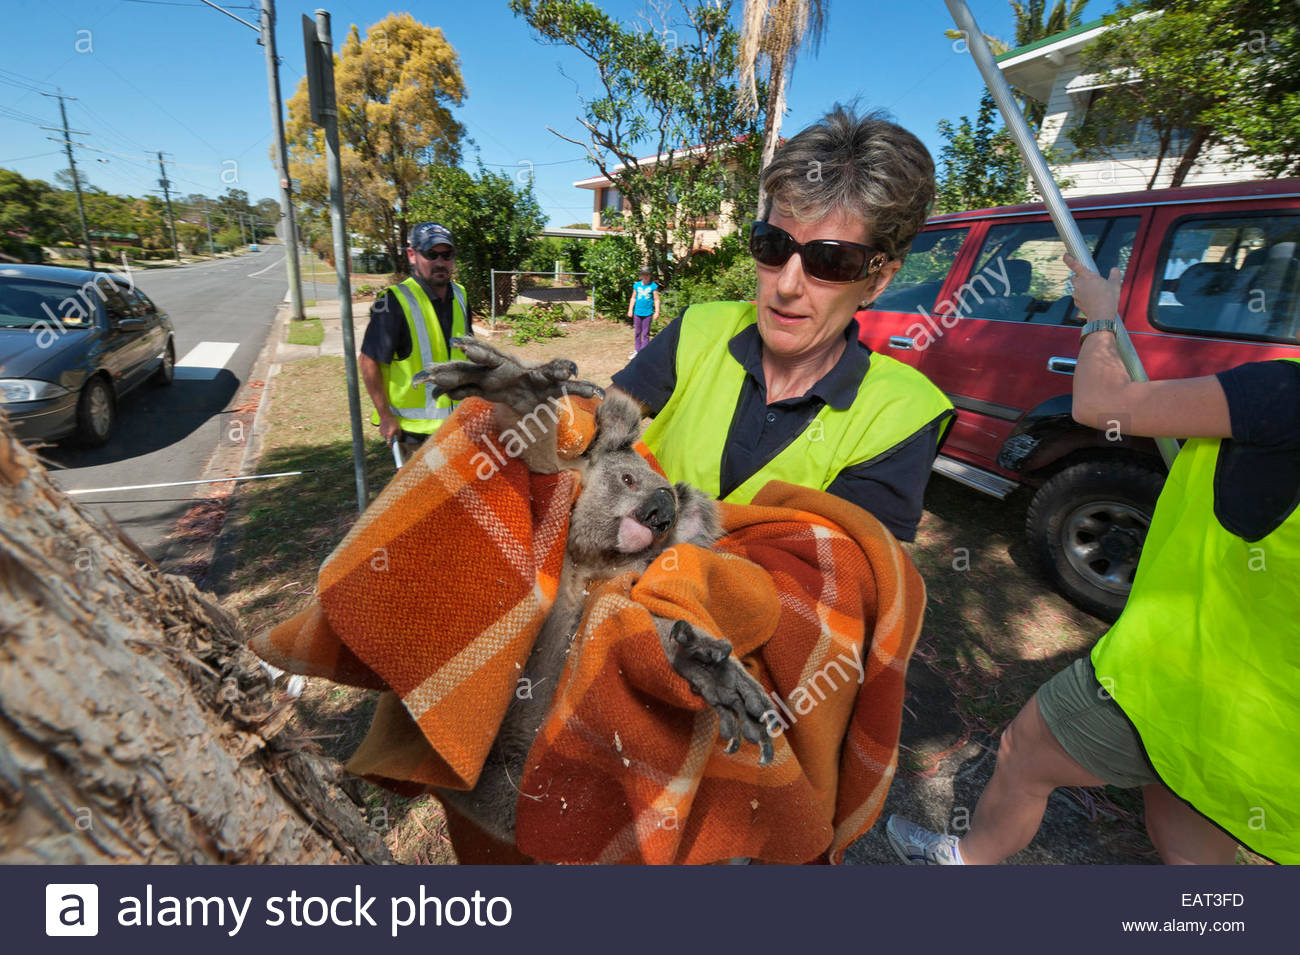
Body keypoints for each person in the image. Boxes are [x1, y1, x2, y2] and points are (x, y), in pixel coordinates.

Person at [886, 253, 1300, 865]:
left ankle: (964, 862)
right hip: (1271, 722)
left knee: (1025, 752)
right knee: (1187, 812)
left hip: (1184, 675)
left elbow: (1102, 403)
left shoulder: (1281, 394)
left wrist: (1100, 319)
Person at [609, 105, 954, 542]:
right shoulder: (699, 329)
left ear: (878, 279)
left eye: (830, 260)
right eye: (773, 246)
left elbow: (840, 580)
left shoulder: (901, 414)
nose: (786, 285)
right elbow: (598, 421)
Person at [360, 222, 474, 448]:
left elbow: (468, 352)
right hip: (413, 434)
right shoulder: (393, 301)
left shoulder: (460, 295)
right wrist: (385, 416)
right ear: (412, 255)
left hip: (458, 425)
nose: (440, 262)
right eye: (431, 254)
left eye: (447, 254)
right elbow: (368, 361)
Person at [626, 267, 660, 358]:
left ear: (650, 276)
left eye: (647, 274)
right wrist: (630, 310)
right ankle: (637, 350)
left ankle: (644, 352)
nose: (645, 276)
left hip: (648, 313)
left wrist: (657, 311)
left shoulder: (653, 286)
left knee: (645, 333)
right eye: (643, 274)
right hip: (637, 313)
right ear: (641, 275)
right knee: (637, 332)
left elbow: (656, 299)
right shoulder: (636, 285)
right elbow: (633, 298)